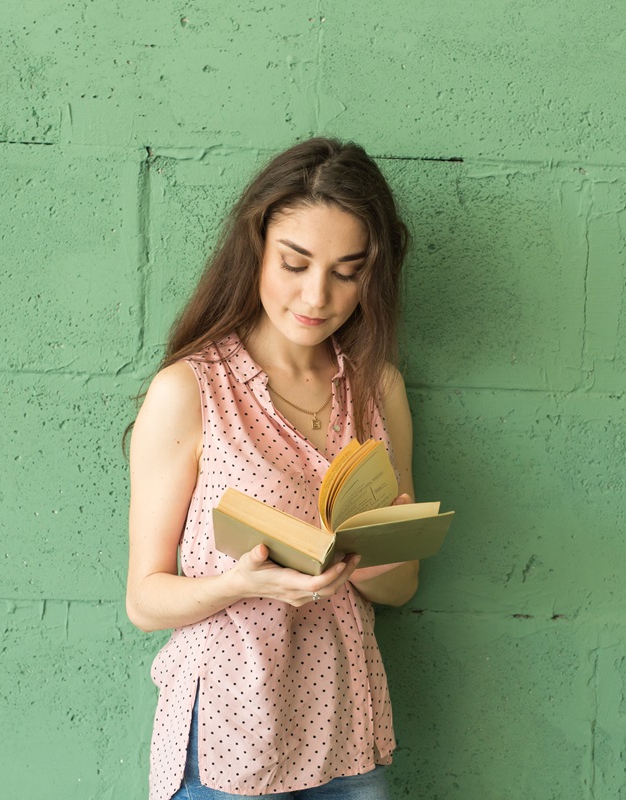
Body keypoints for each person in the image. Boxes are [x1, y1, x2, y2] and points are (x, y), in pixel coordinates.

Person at [125, 137, 419, 800]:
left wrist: (363, 556)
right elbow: (144, 600)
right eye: (295, 263)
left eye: (347, 272)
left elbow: (401, 588)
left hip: (345, 731)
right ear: (255, 250)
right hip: (227, 733)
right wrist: (240, 584)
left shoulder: (379, 389)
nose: (318, 295)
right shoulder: (190, 390)